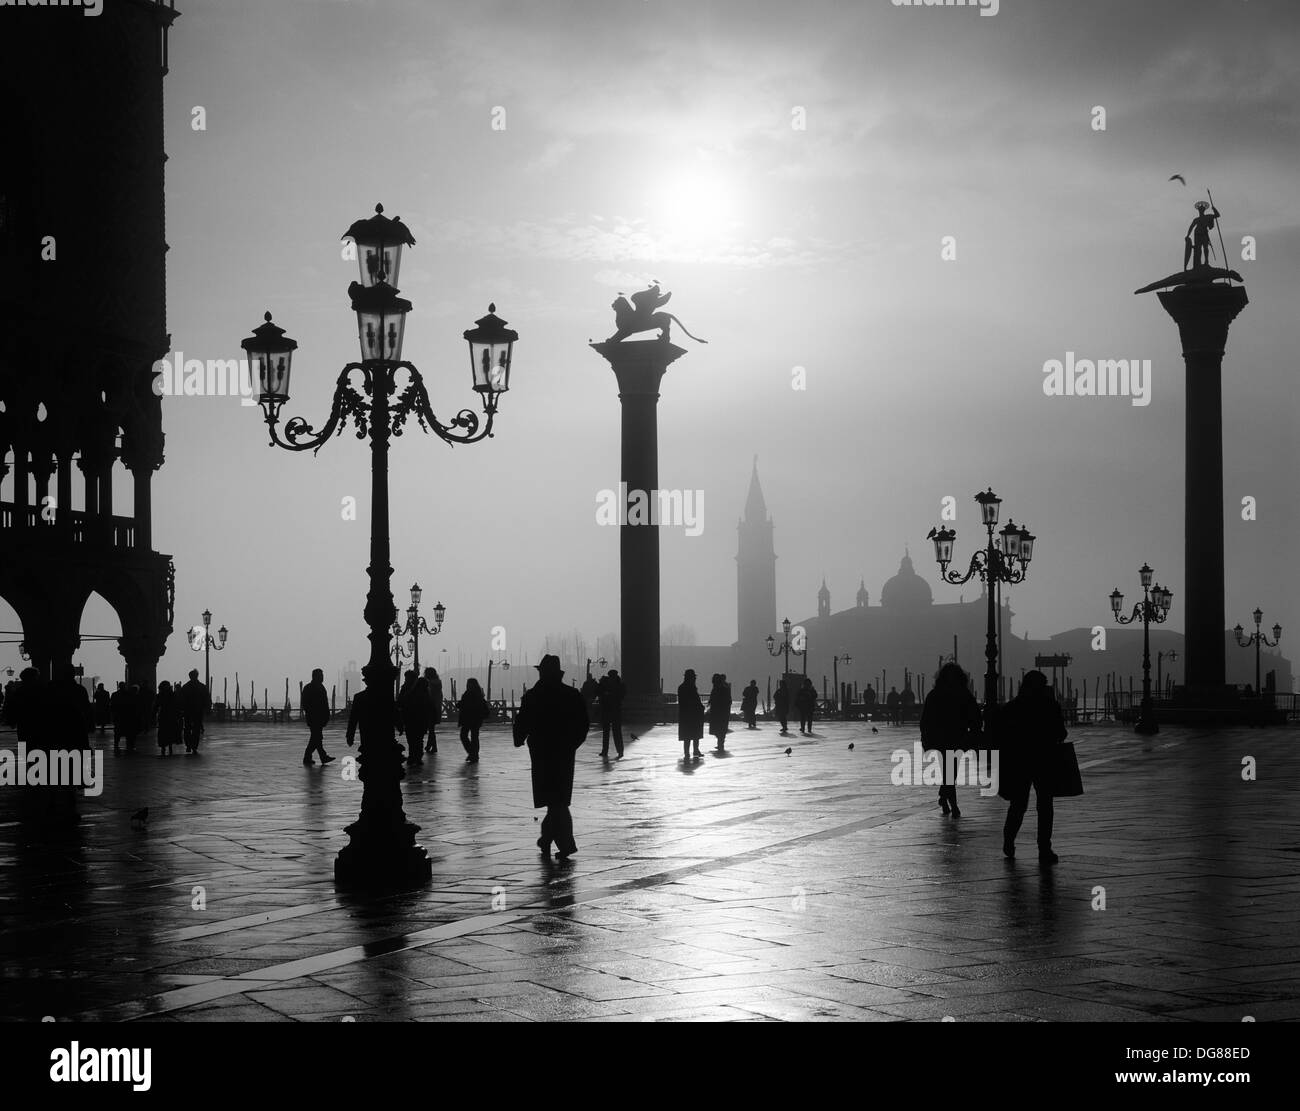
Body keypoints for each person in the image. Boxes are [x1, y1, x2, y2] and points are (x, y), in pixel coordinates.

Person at [513, 655, 588, 860]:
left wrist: (519, 738)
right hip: (564, 753)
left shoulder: (534, 695)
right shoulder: (571, 695)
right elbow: (583, 724)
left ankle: (560, 843)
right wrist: (572, 744)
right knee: (558, 799)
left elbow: (522, 721)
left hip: (542, 753)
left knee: (554, 800)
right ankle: (550, 840)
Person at [999, 670, 1067, 863]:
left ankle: (1009, 837)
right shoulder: (1050, 706)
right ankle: (1044, 848)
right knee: (1045, 805)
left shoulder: (1012, 707)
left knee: (1019, 804)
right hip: (1044, 759)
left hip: (1019, 761)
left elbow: (1002, 736)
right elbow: (1061, 733)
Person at [919, 663, 982, 818]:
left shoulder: (934, 694)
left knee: (949, 771)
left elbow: (925, 720)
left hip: (943, 739)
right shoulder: (964, 694)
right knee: (950, 771)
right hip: (953, 738)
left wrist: (926, 739)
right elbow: (975, 717)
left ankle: (944, 796)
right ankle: (953, 806)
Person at [301, 668, 334, 766]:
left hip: (316, 717)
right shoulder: (312, 688)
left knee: (316, 738)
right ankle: (311, 757)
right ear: (315, 676)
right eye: (321, 676)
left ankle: (319, 757)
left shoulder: (315, 687)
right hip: (315, 718)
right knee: (316, 738)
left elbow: (324, 704)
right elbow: (306, 704)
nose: (323, 678)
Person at [400, 672, 431, 765]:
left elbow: (401, 700)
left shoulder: (407, 688)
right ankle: (417, 757)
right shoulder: (423, 689)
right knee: (417, 739)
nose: (405, 679)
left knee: (412, 738)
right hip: (419, 717)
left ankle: (413, 756)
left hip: (411, 716)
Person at [458, 676, 489, 763]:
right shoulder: (479, 694)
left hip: (468, 718)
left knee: (464, 735)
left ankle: (472, 753)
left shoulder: (468, 693)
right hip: (477, 719)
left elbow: (466, 705)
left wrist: (459, 704)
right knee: (474, 736)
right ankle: (474, 754)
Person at [597, 668, 626, 758]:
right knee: (617, 732)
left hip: (606, 710)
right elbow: (622, 696)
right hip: (616, 711)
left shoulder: (605, 683)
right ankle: (620, 751)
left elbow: (598, 692)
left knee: (606, 732)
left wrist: (606, 694)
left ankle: (605, 751)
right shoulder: (620, 684)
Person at [677, 669, 705, 760]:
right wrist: (701, 707)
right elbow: (696, 700)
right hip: (694, 714)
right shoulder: (692, 688)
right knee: (695, 734)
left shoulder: (681, 687)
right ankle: (696, 751)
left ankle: (687, 753)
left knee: (686, 736)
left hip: (685, 715)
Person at [179, 669, 209, 753]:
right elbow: (207, 699)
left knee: (188, 728)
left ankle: (189, 745)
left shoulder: (185, 687)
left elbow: (181, 699)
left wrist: (181, 709)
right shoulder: (202, 686)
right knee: (195, 729)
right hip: (197, 711)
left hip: (188, 711)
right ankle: (194, 746)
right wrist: (207, 708)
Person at [1185, 199, 1221, 269]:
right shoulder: (1196, 219)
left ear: (1204, 210)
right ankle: (1198, 263)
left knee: (1205, 248)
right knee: (1198, 249)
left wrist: (1214, 209)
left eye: (1202, 210)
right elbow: (1191, 227)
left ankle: (1206, 262)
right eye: (1200, 210)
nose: (1201, 211)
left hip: (1204, 234)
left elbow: (1217, 215)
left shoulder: (1208, 217)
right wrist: (1188, 235)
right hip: (1197, 235)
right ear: (1198, 211)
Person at [155, 680, 182, 756]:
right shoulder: (172, 694)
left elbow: (156, 705)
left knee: (163, 731)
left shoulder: (160, 695)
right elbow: (177, 705)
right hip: (171, 715)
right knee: (170, 731)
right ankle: (169, 746)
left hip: (164, 715)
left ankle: (164, 747)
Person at [707, 673, 731, 750]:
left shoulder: (720, 688)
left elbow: (726, 700)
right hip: (721, 711)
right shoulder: (723, 688)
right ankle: (720, 743)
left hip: (719, 711)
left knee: (719, 728)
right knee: (721, 728)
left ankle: (720, 743)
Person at [423, 667, 443, 754]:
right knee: (431, 728)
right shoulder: (439, 683)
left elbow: (428, 696)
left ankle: (433, 746)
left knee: (430, 728)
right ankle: (430, 745)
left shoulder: (429, 684)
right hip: (437, 707)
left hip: (430, 707)